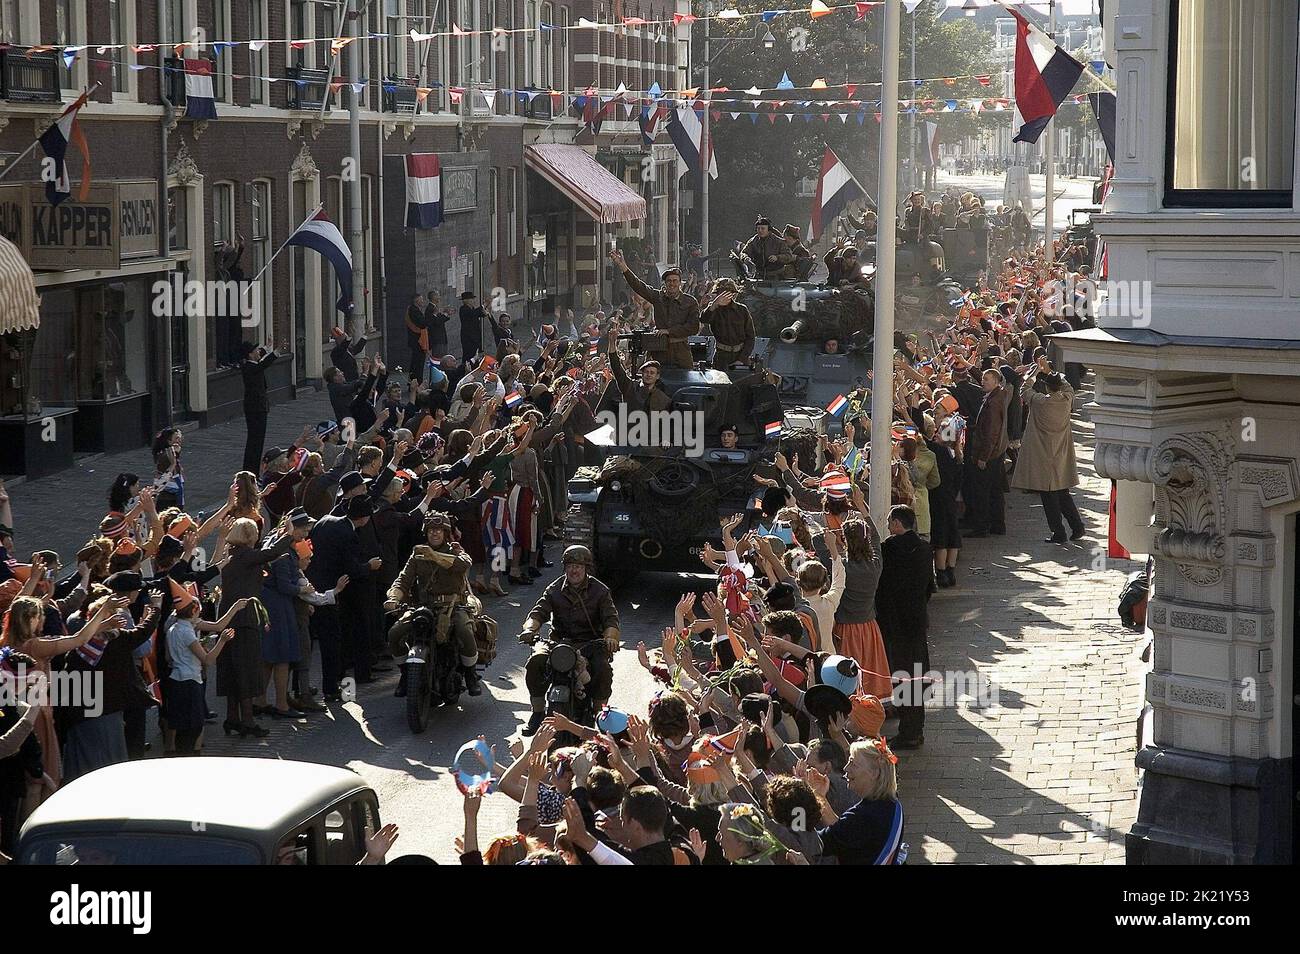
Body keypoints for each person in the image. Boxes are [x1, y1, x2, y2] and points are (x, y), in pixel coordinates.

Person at [517, 545, 620, 736]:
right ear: (565, 567)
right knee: (535, 661)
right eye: (571, 565)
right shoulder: (554, 589)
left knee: (602, 669)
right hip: (559, 644)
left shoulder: (600, 591)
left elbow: (611, 619)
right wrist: (529, 629)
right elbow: (538, 612)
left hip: (590, 644)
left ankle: (600, 716)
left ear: (586, 568)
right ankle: (537, 712)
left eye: (579, 566)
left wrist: (611, 638)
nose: (574, 570)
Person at [384, 512, 482, 695]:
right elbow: (403, 580)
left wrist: (434, 556)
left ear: (446, 533)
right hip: (424, 607)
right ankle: (406, 674)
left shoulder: (455, 551)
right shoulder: (417, 555)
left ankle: (470, 673)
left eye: (438, 530)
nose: (434, 534)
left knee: (465, 631)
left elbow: (463, 564)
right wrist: (393, 598)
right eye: (430, 530)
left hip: (453, 606)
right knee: (395, 633)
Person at [875, 506, 934, 749]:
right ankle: (915, 727)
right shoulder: (923, 548)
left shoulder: (889, 549)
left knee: (902, 677)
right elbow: (930, 586)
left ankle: (909, 732)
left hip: (896, 625)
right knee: (917, 676)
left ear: (898, 523)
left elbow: (883, 588)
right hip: (917, 622)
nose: (888, 526)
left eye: (890, 521)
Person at [1011, 366, 1085, 544]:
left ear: (1046, 387)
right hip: (1060, 453)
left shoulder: (1040, 401)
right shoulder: (1066, 400)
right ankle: (1077, 526)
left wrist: (1034, 373)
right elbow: (1068, 388)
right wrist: (1053, 371)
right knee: (1062, 493)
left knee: (1049, 496)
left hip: (1043, 455)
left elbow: (1024, 390)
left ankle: (1058, 532)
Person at [608, 249, 700, 370]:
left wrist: (669, 331)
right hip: (659, 350)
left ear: (680, 283)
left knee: (685, 382)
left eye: (675, 281)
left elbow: (694, 327)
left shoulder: (690, 301)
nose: (672, 284)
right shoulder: (658, 297)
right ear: (665, 283)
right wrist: (623, 266)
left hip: (681, 351)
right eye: (669, 281)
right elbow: (638, 285)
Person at [964, 368, 1010, 538]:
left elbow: (991, 433)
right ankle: (998, 525)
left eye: (987, 379)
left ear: (996, 382)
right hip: (997, 453)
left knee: (982, 492)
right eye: (983, 378)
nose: (983, 381)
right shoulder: (999, 395)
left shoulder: (993, 403)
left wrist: (983, 457)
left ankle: (981, 527)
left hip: (989, 454)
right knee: (995, 490)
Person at [239, 341, 279, 473]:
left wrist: (267, 348)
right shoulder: (250, 368)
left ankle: (251, 471)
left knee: (256, 441)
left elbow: (260, 358)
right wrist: (274, 354)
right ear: (250, 354)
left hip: (258, 407)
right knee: (255, 441)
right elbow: (262, 365)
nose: (258, 352)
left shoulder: (251, 363)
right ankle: (251, 471)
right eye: (256, 350)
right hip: (256, 409)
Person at [700, 278, 755, 369]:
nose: (723, 296)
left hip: (740, 355)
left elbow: (750, 337)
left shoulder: (742, 310)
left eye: (727, 293)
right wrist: (714, 304)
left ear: (733, 294)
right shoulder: (714, 309)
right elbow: (703, 319)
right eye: (721, 294)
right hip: (721, 356)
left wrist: (742, 359)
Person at [740, 217, 786, 281]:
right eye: (758, 228)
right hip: (759, 276)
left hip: (776, 277)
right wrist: (746, 258)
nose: (760, 230)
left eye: (763, 228)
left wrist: (777, 257)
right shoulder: (753, 241)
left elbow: (788, 255)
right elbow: (743, 253)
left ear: (768, 230)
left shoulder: (778, 241)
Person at [404, 293, 430, 376]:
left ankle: (414, 380)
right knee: (418, 363)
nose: (423, 301)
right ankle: (416, 381)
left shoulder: (414, 309)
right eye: (421, 299)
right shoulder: (414, 310)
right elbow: (422, 323)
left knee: (417, 362)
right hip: (417, 340)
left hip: (417, 340)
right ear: (416, 300)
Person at [459, 291, 487, 362]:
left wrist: (484, 311)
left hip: (475, 336)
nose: (473, 301)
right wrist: (483, 306)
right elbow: (472, 314)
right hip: (468, 337)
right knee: (468, 355)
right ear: (465, 300)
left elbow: (478, 314)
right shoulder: (463, 309)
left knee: (475, 355)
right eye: (471, 299)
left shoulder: (472, 308)